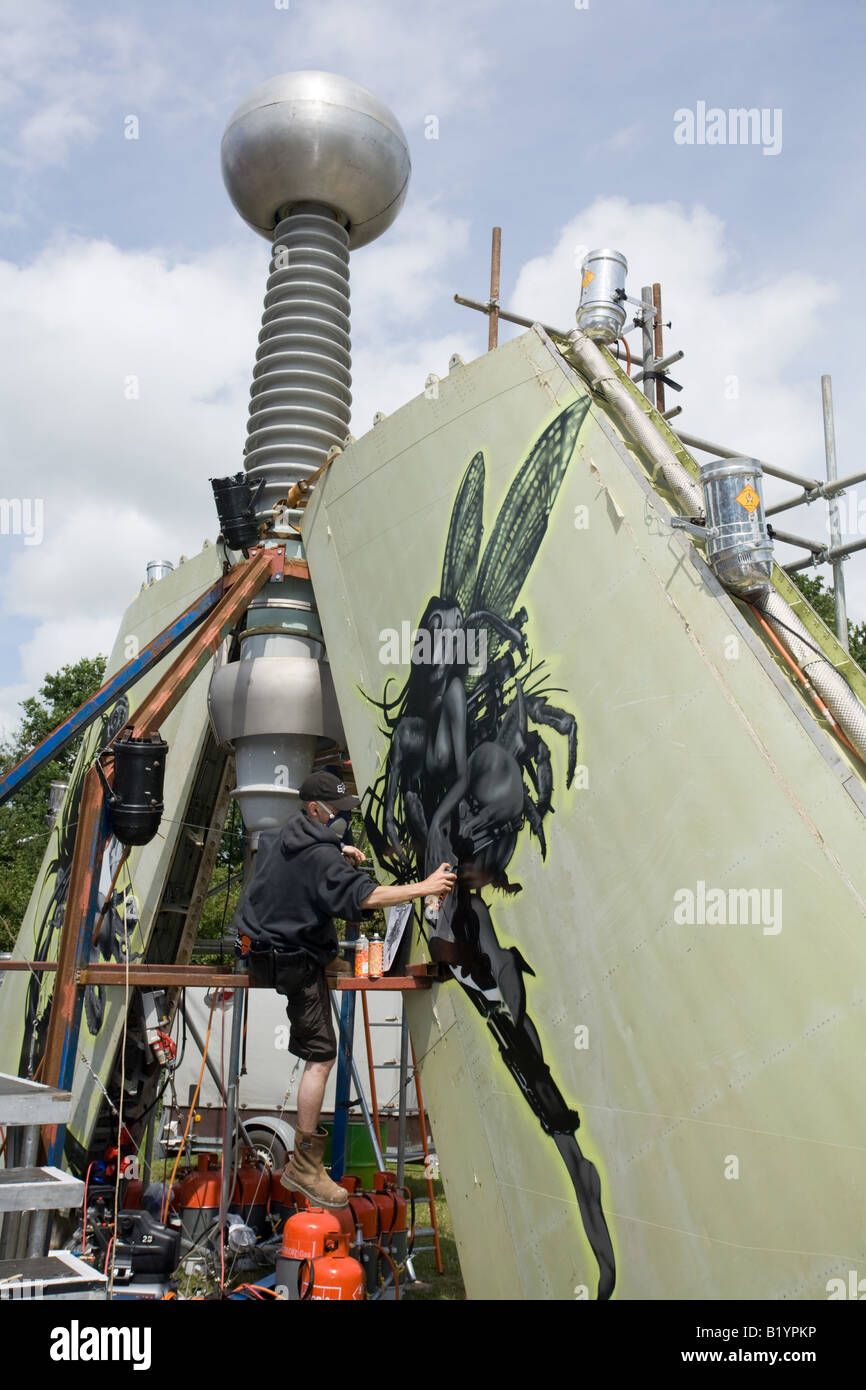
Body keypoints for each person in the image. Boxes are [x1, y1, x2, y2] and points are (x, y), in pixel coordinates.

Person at [233, 769, 456, 1209]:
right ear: (314, 809)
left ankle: (328, 957)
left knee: (330, 958)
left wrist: (337, 847)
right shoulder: (322, 857)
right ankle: (303, 1166)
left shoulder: (287, 835)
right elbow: (366, 898)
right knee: (322, 1057)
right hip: (288, 960)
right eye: (336, 813)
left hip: (257, 943)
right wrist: (426, 887)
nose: (342, 819)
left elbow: (309, 862)